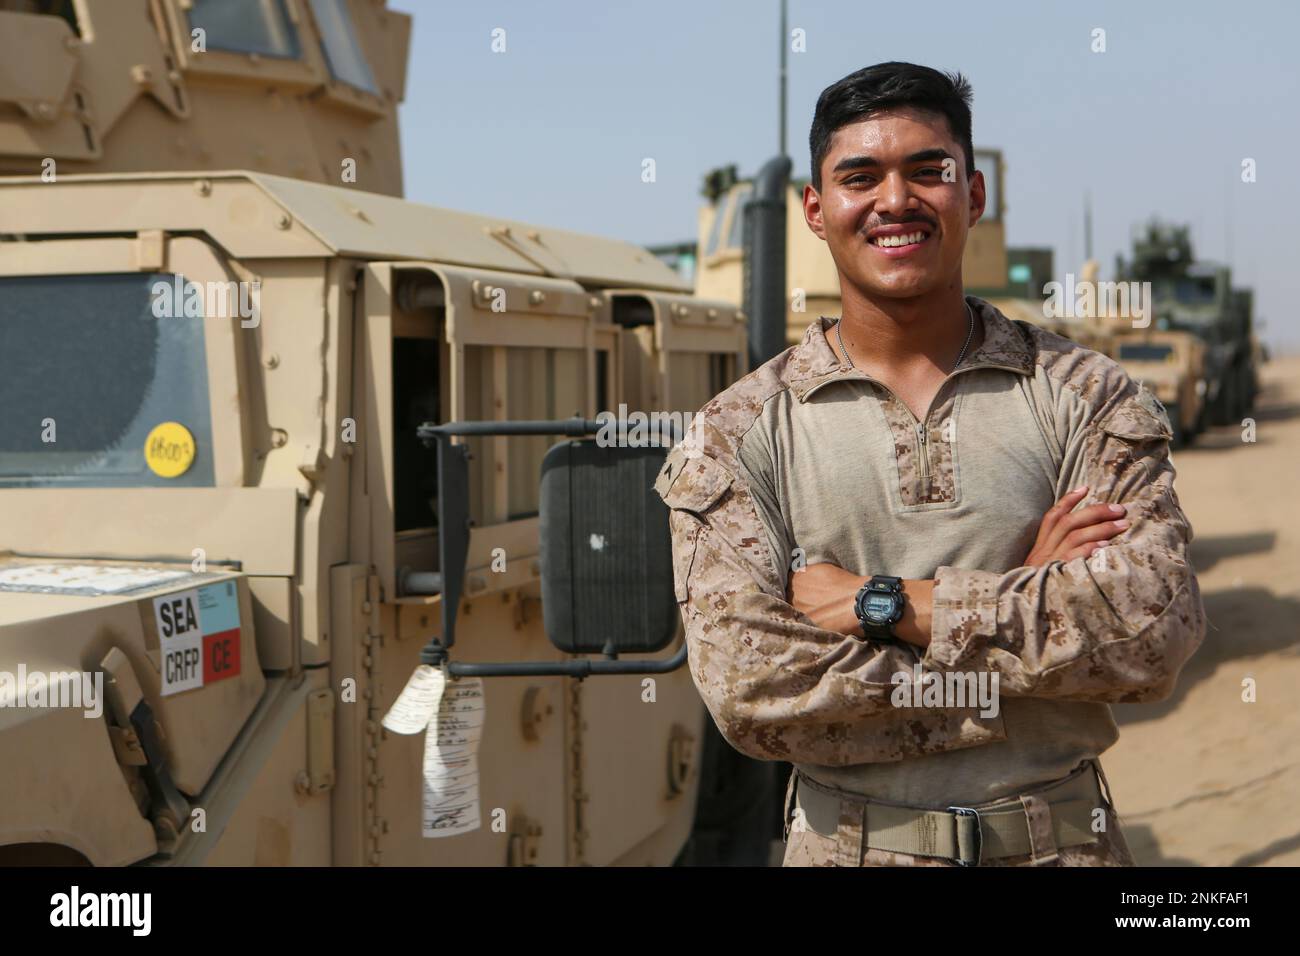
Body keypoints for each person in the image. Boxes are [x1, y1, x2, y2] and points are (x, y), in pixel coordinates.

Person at [654, 62, 1206, 867]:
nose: (895, 200)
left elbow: (1155, 628)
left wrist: (886, 605)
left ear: (972, 195)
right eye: (859, 176)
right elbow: (753, 690)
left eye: (928, 171)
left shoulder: (1084, 394)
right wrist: (1027, 608)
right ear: (816, 208)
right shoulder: (739, 432)